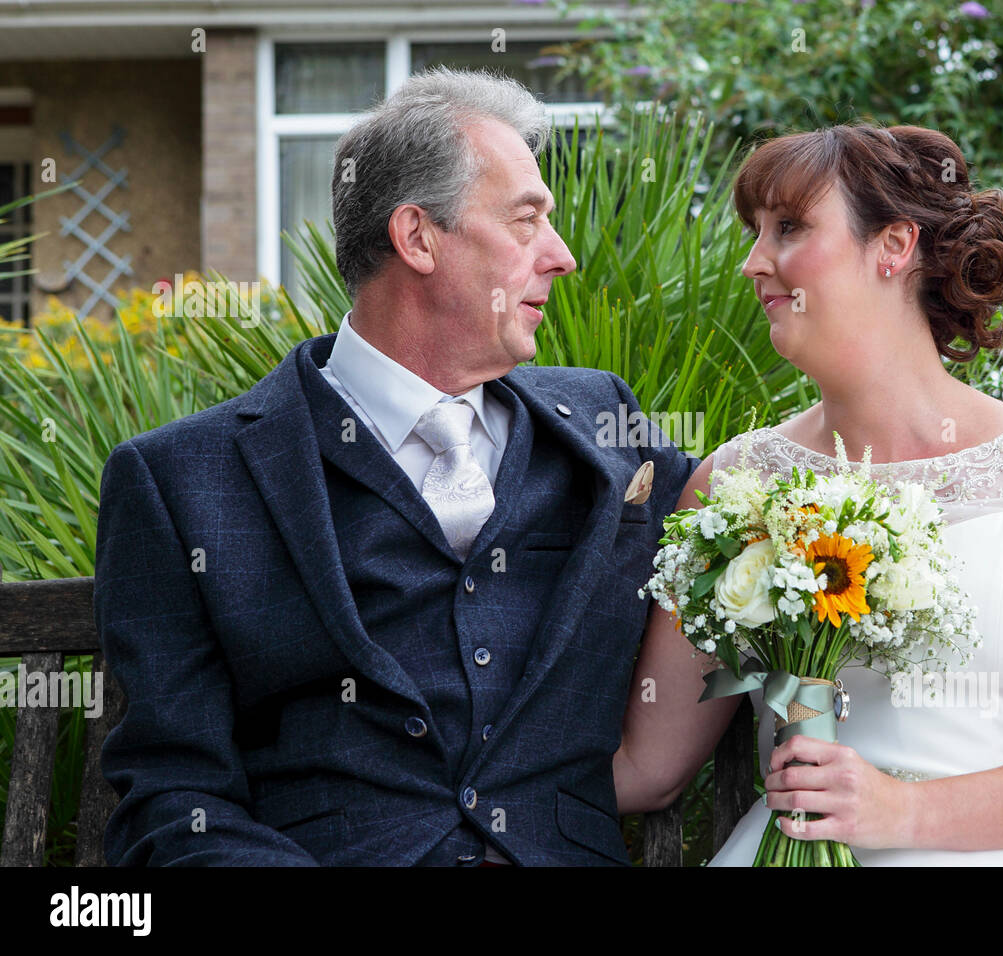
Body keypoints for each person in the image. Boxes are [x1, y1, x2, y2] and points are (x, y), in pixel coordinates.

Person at [94, 67, 696, 866]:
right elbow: (172, 795)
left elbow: (761, 515)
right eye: (527, 221)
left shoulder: (603, 426)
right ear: (417, 238)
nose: (562, 256)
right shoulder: (179, 481)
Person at [612, 123, 1003, 865]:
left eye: (788, 228)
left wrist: (905, 814)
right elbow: (648, 766)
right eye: (755, 233)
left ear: (894, 245)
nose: (755, 262)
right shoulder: (732, 484)